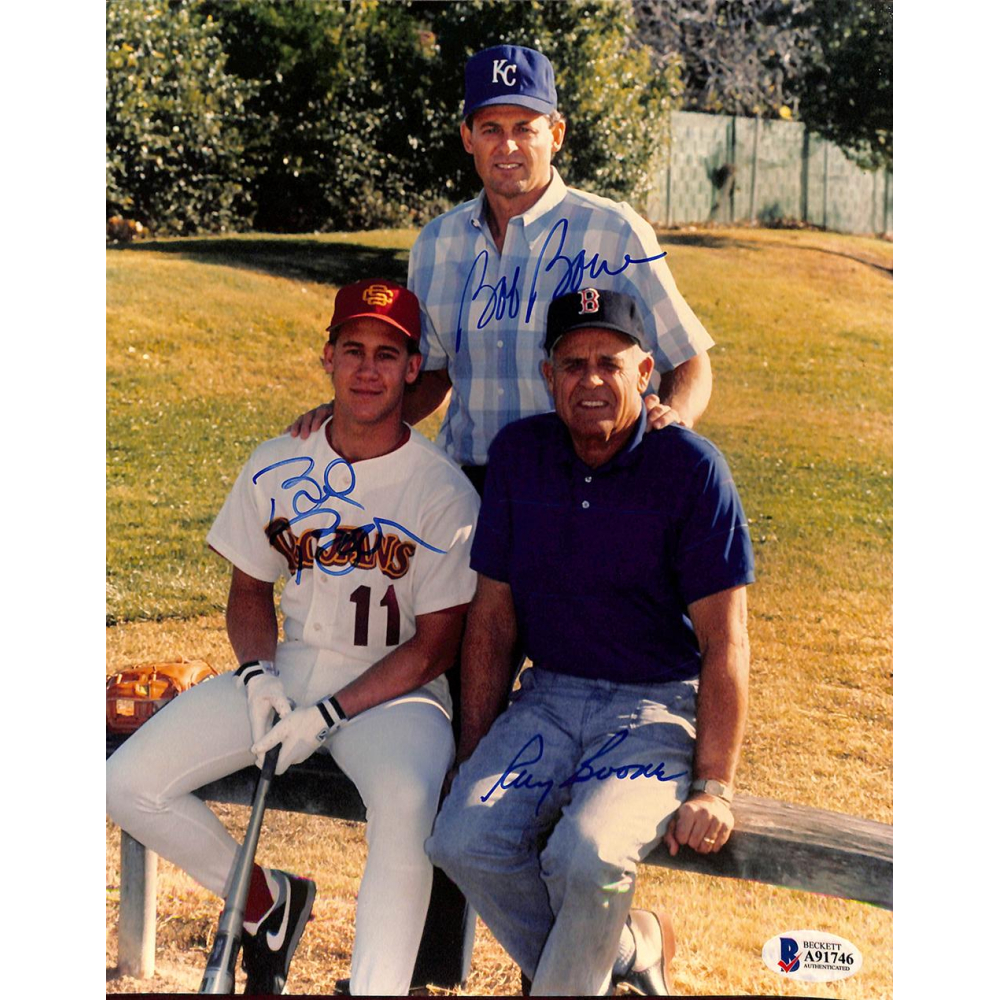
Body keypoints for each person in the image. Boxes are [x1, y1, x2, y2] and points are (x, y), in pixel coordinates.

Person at [106, 279, 480, 996]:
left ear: (412, 370)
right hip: (294, 667)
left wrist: (332, 714)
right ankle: (265, 904)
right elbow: (249, 592)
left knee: (405, 807)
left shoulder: (443, 488)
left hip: (397, 691)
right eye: (352, 351)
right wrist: (258, 678)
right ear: (327, 360)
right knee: (127, 782)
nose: (367, 370)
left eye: (387, 354)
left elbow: (435, 645)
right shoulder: (278, 460)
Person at [425, 288, 754, 996]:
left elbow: (725, 643)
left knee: (590, 854)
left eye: (612, 362)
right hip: (547, 702)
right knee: (461, 837)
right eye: (574, 365)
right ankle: (630, 947)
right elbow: (493, 617)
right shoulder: (521, 455)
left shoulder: (692, 470)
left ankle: (602, 961)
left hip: (653, 712)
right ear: (549, 377)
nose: (592, 380)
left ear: (646, 373)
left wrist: (714, 789)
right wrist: (473, 749)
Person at [289, 43, 714, 486]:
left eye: (525, 128)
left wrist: (672, 422)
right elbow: (432, 375)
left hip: (586, 486)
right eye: (490, 128)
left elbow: (688, 360)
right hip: (468, 488)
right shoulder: (437, 243)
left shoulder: (615, 233)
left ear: (556, 135)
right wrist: (347, 422)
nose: (507, 145)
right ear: (468, 137)